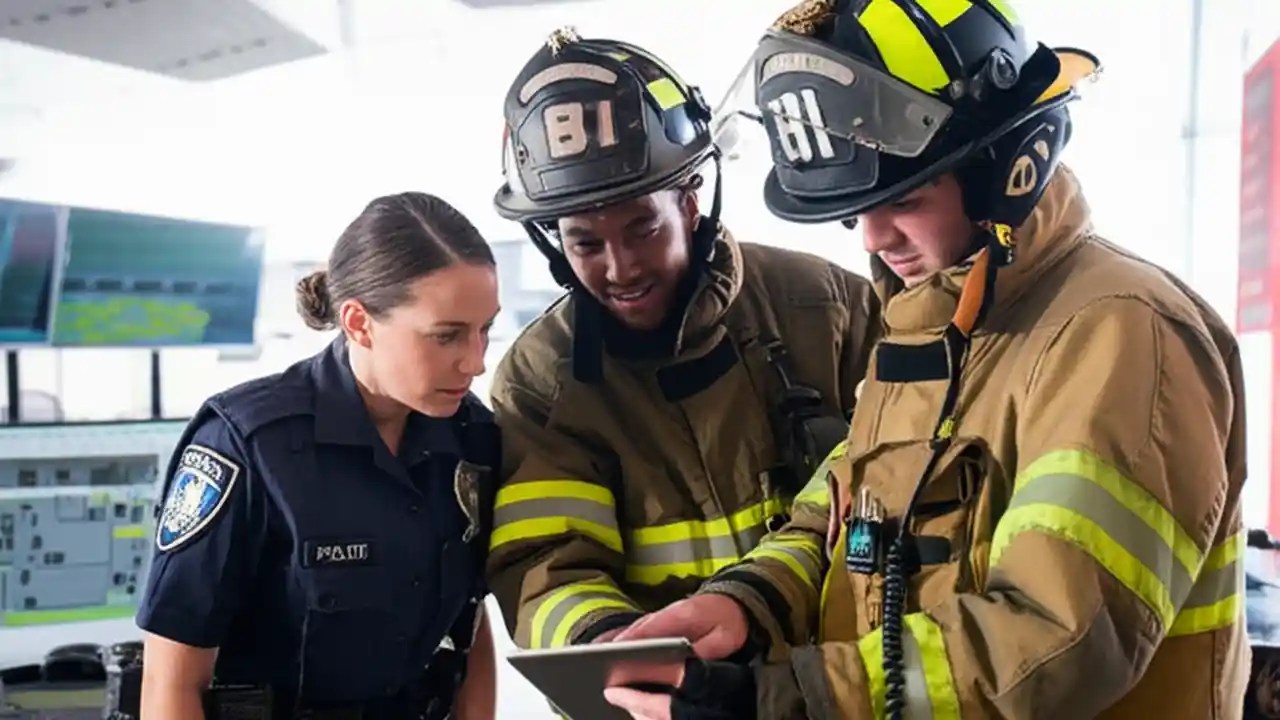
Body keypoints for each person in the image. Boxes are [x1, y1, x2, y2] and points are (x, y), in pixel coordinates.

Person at [604, 2, 1250, 719]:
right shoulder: (927, 324)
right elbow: (842, 515)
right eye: (857, 208)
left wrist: (794, 700)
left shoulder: (1119, 333)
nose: (874, 237)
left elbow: (1060, 636)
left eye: (904, 198)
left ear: (1006, 168)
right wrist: (751, 601)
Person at [485, 27, 880, 662]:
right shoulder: (540, 382)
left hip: (838, 685)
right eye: (585, 243)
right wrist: (609, 649)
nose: (620, 268)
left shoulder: (826, 305)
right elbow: (544, 565)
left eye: (643, 228)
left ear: (691, 201)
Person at [135, 192, 502, 720]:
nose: (476, 361)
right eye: (446, 336)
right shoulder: (247, 445)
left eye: (484, 329)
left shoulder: (471, 437)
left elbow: (469, 627)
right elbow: (171, 684)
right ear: (358, 323)